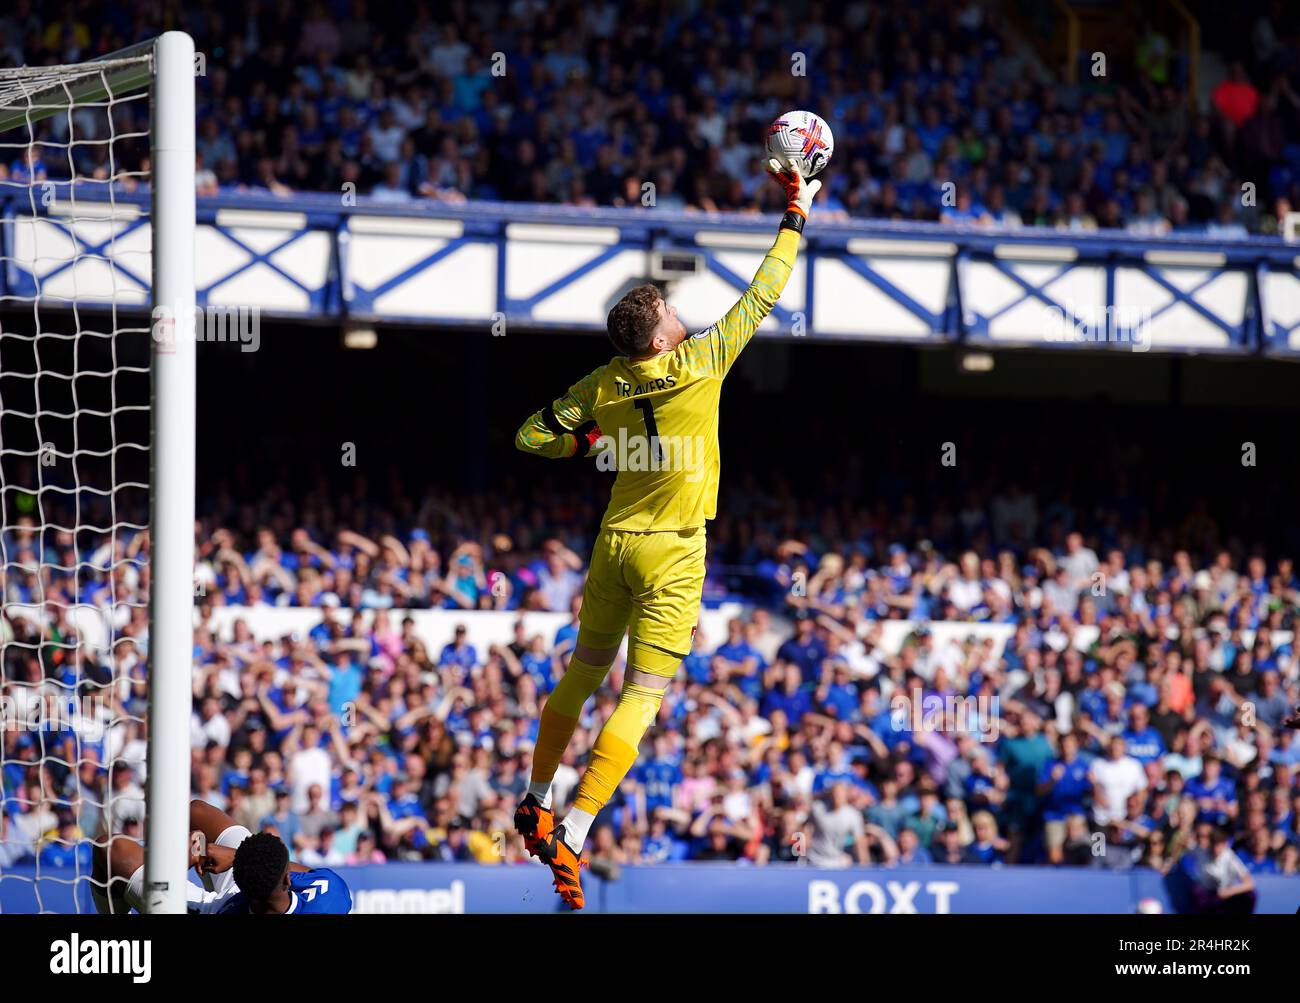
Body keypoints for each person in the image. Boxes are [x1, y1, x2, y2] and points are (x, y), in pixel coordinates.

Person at [511, 158, 820, 908]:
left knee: (582, 674)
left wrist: (587, 445)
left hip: (614, 542)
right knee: (643, 696)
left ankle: (536, 792)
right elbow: (766, 290)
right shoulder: (703, 361)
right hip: (675, 550)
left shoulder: (606, 382)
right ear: (658, 341)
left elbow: (530, 437)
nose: (683, 321)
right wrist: (796, 211)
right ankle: (577, 829)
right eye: (671, 318)